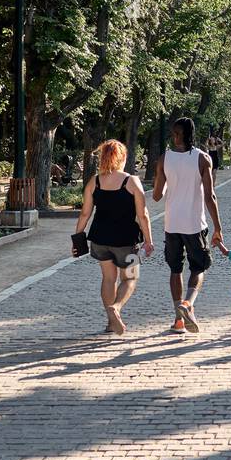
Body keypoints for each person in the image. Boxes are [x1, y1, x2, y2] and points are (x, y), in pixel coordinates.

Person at [73, 139, 154, 335]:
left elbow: (85, 214)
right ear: (123, 158)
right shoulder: (132, 181)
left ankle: (111, 322)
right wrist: (149, 240)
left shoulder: (95, 181)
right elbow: (142, 214)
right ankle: (116, 308)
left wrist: (77, 238)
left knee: (108, 278)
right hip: (127, 241)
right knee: (131, 278)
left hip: (100, 239)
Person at [153, 116, 224, 333]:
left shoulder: (164, 158)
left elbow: (156, 196)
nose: (174, 136)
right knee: (199, 267)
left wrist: (169, 184)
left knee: (175, 269)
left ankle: (178, 320)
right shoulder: (203, 159)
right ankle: (188, 303)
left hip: (171, 222)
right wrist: (218, 227)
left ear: (179, 134)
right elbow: (209, 196)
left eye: (175, 133)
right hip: (194, 223)